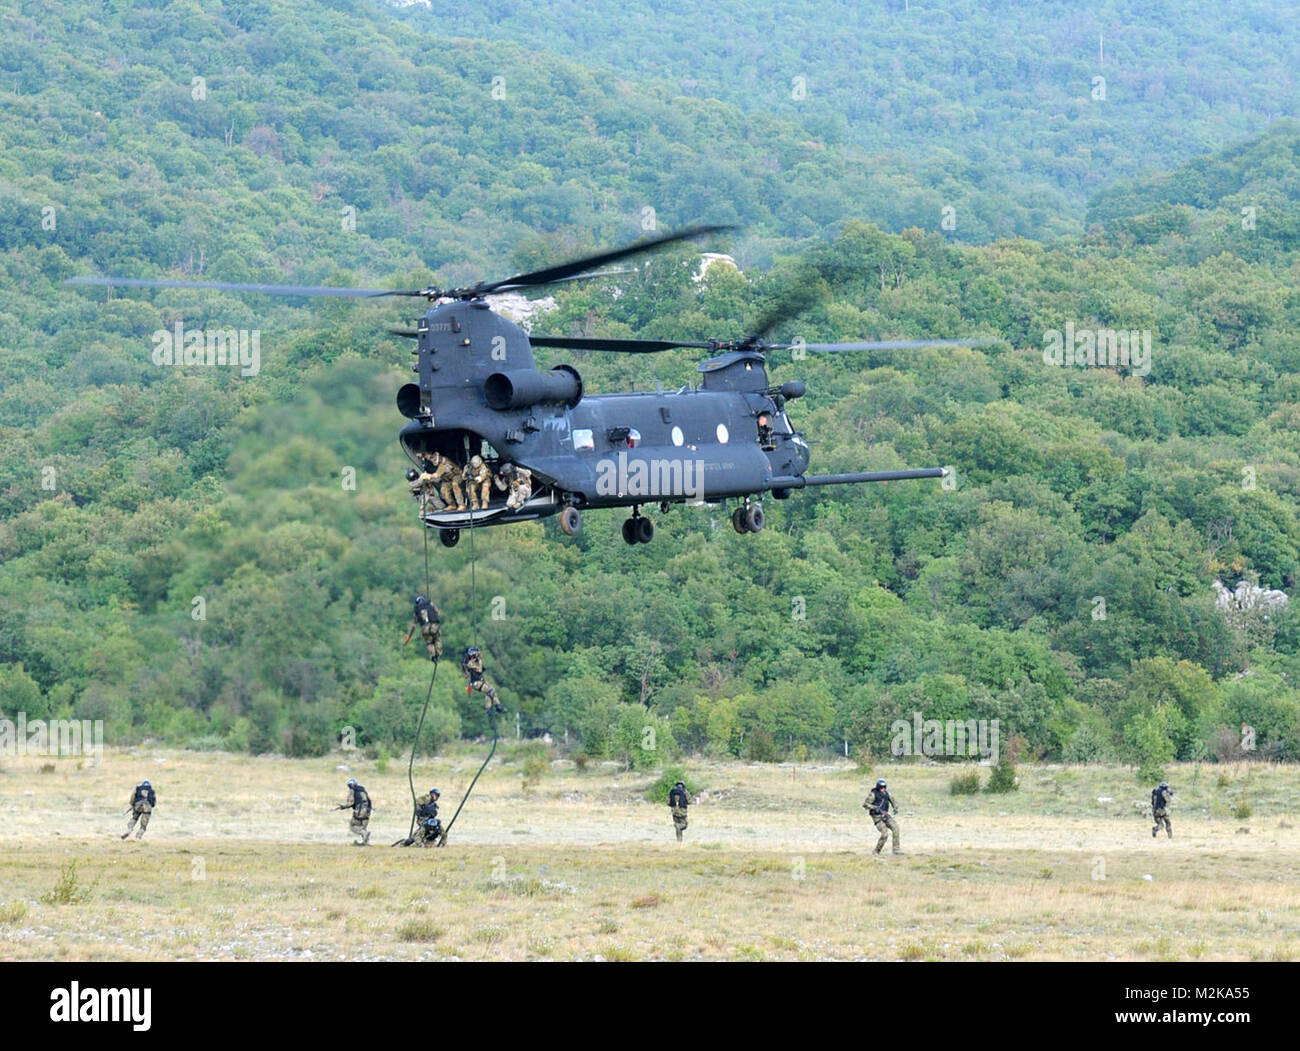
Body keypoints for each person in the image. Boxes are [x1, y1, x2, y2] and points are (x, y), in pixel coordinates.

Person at [460, 646, 506, 714]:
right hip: (476, 683)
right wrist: (477, 658)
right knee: (490, 691)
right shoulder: (469, 663)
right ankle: (496, 707)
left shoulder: (474, 661)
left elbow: (481, 668)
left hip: (480, 681)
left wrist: (478, 657)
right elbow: (477, 669)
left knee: (491, 691)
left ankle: (494, 707)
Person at [863, 777, 901, 855]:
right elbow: (865, 804)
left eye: (884, 787)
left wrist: (895, 808)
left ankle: (896, 850)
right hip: (877, 817)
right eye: (881, 787)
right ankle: (876, 851)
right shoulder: (873, 794)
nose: (883, 789)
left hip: (885, 815)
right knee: (885, 834)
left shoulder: (887, 793)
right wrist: (875, 808)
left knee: (895, 828)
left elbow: (893, 801)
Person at [406, 593, 442, 661]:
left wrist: (409, 636)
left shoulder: (417, 609)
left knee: (429, 643)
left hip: (425, 628)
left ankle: (433, 656)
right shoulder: (429, 603)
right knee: (437, 639)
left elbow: (414, 624)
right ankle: (438, 654)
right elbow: (437, 612)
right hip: (434, 626)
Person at [340, 777, 372, 845]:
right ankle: (365, 842)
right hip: (367, 811)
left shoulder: (352, 790)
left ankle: (364, 834)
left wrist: (343, 807)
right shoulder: (363, 790)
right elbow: (368, 800)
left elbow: (351, 803)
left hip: (359, 811)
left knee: (353, 826)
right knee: (363, 827)